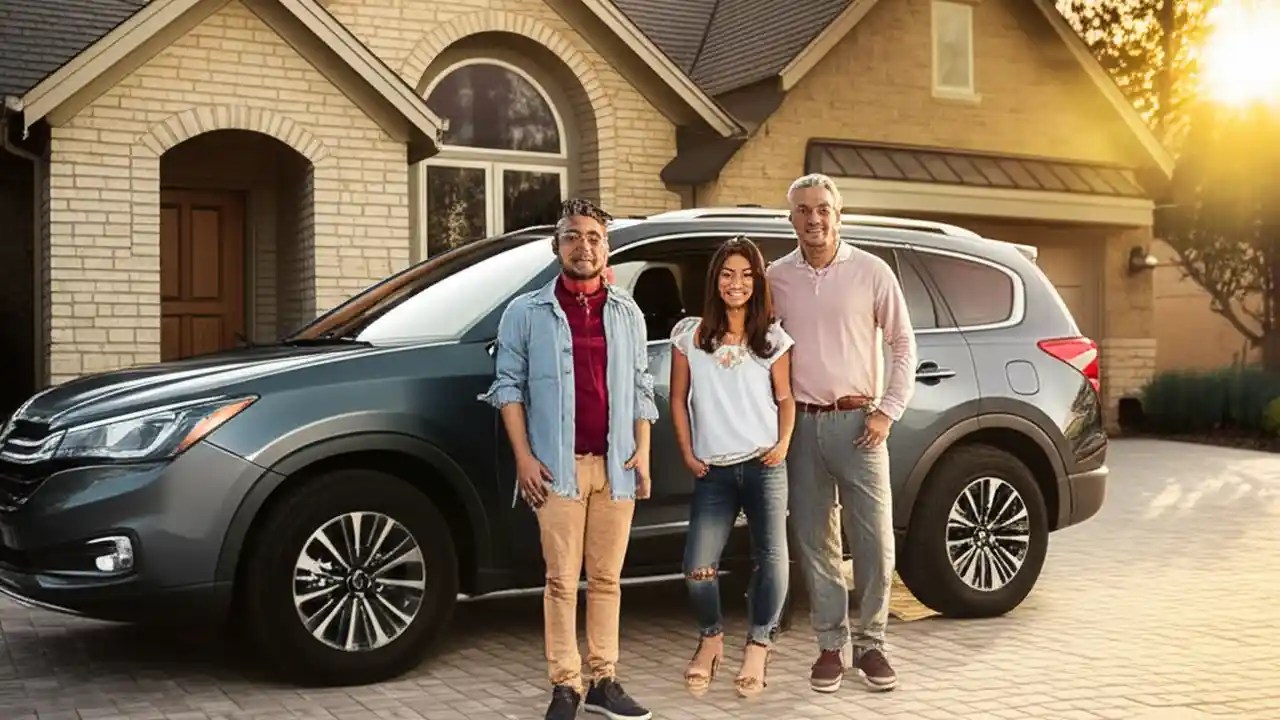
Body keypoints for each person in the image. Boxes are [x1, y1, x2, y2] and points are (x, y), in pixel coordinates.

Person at [479, 198, 658, 720]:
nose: (584, 246)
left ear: (608, 248)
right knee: (560, 581)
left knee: (606, 580)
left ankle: (604, 681)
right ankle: (565, 685)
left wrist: (642, 452)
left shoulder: (627, 312)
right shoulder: (527, 313)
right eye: (573, 236)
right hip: (557, 467)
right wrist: (525, 459)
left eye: (594, 237)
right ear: (557, 246)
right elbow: (507, 388)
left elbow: (642, 389)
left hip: (616, 466)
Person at [766, 173, 917, 693]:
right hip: (802, 427)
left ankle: (873, 645)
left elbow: (903, 344)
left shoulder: (871, 272)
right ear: (791, 218)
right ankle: (831, 645)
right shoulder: (775, 277)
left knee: (874, 541)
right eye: (803, 209)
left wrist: (887, 412)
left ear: (838, 213)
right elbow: (761, 352)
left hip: (861, 425)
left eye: (823, 209)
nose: (813, 218)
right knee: (814, 541)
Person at [669, 236, 797, 699]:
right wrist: (687, 452)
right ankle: (711, 638)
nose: (736, 283)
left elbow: (785, 400)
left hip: (765, 465)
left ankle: (759, 645)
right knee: (697, 565)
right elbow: (678, 401)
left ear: (757, 281)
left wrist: (783, 443)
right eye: (727, 274)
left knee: (772, 558)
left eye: (746, 274)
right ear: (715, 280)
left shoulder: (773, 339)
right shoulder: (690, 337)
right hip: (714, 472)